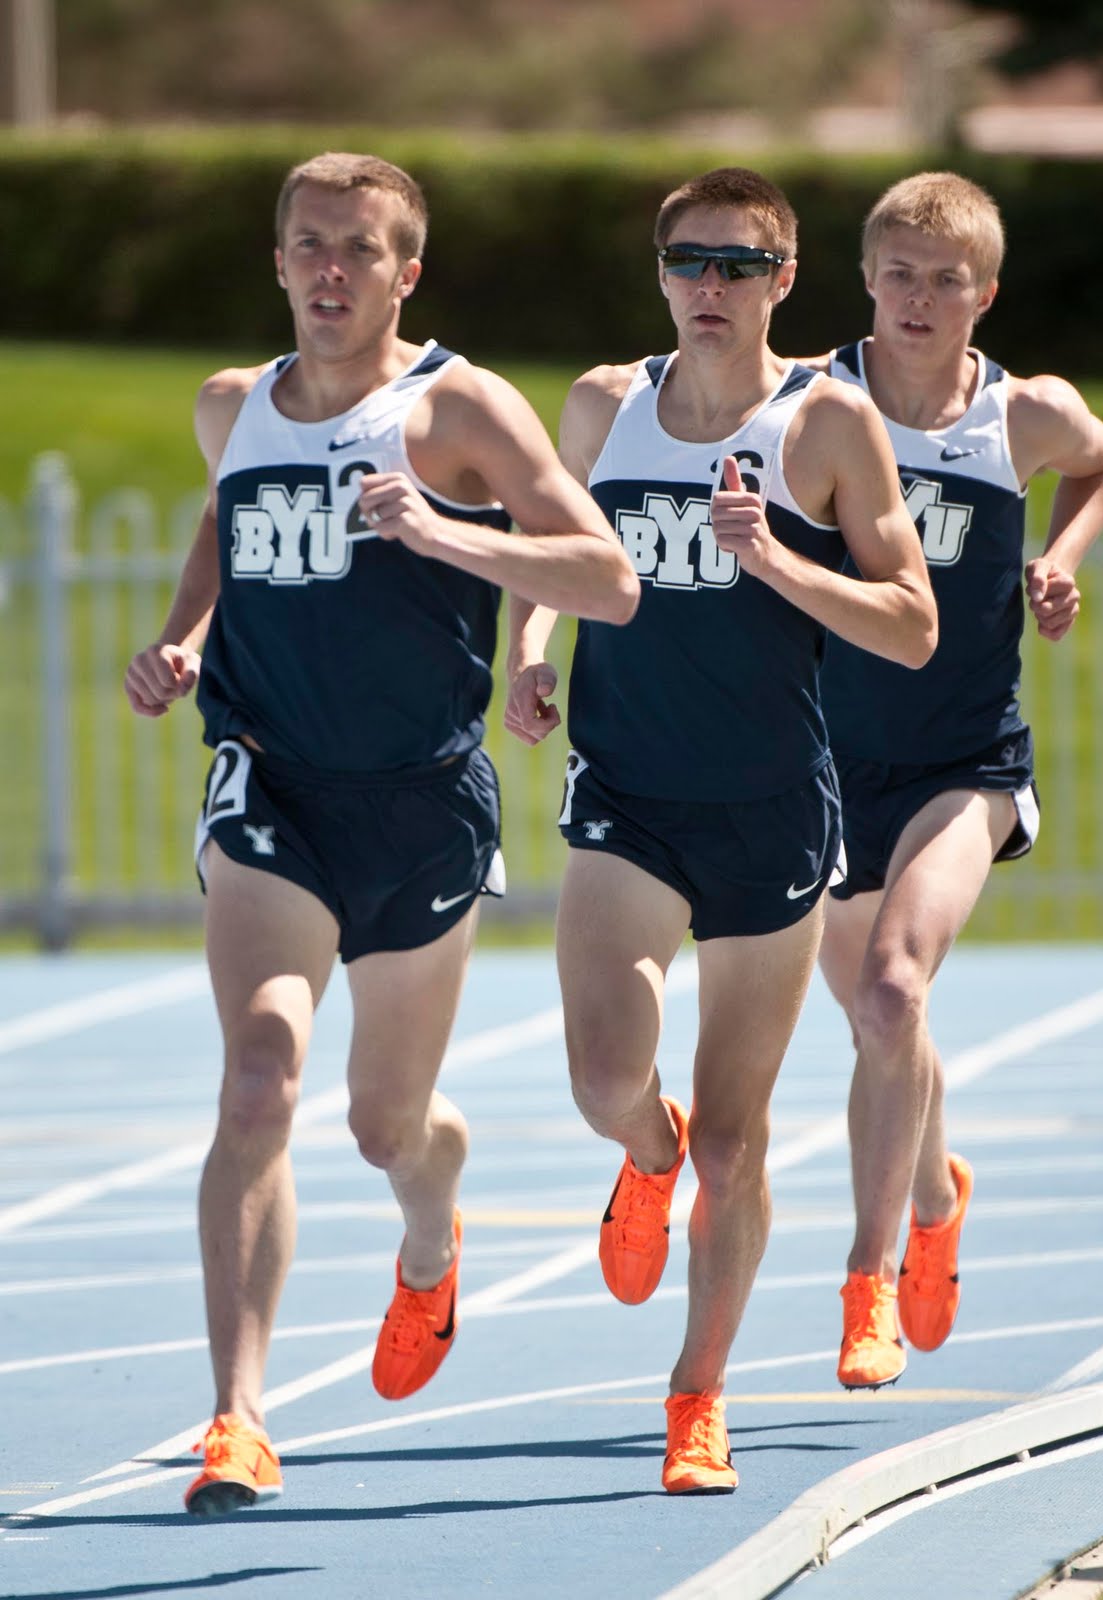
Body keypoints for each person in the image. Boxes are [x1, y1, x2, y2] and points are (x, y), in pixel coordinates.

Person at [123, 151, 638, 1516]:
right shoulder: (231, 406)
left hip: (419, 802)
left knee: (379, 1122)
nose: (330, 270)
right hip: (270, 790)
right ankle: (237, 1418)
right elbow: (221, 539)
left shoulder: (456, 405)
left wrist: (450, 537)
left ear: (405, 271)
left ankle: (430, 1221)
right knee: (257, 1081)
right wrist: (181, 643)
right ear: (279, 261)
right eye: (308, 245)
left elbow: (608, 575)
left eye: (359, 248)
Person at [504, 166, 936, 1493]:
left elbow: (911, 624)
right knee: (599, 1077)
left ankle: (696, 1394)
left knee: (742, 1142)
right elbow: (543, 548)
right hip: (626, 798)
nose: (708, 285)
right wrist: (526, 648)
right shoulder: (599, 404)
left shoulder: (826, 425)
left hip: (766, 817)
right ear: (658, 274)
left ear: (782, 281)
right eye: (686, 260)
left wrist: (777, 560)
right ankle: (644, 1150)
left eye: (737, 264)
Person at [798, 171, 1103, 1390]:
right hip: (819, 760)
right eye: (900, 272)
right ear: (865, 279)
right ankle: (935, 1193)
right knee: (880, 1023)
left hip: (963, 761)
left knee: (892, 994)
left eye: (948, 280)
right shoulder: (811, 405)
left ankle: (868, 1279)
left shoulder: (1022, 414)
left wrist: (1059, 554)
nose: (921, 298)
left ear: (985, 294)